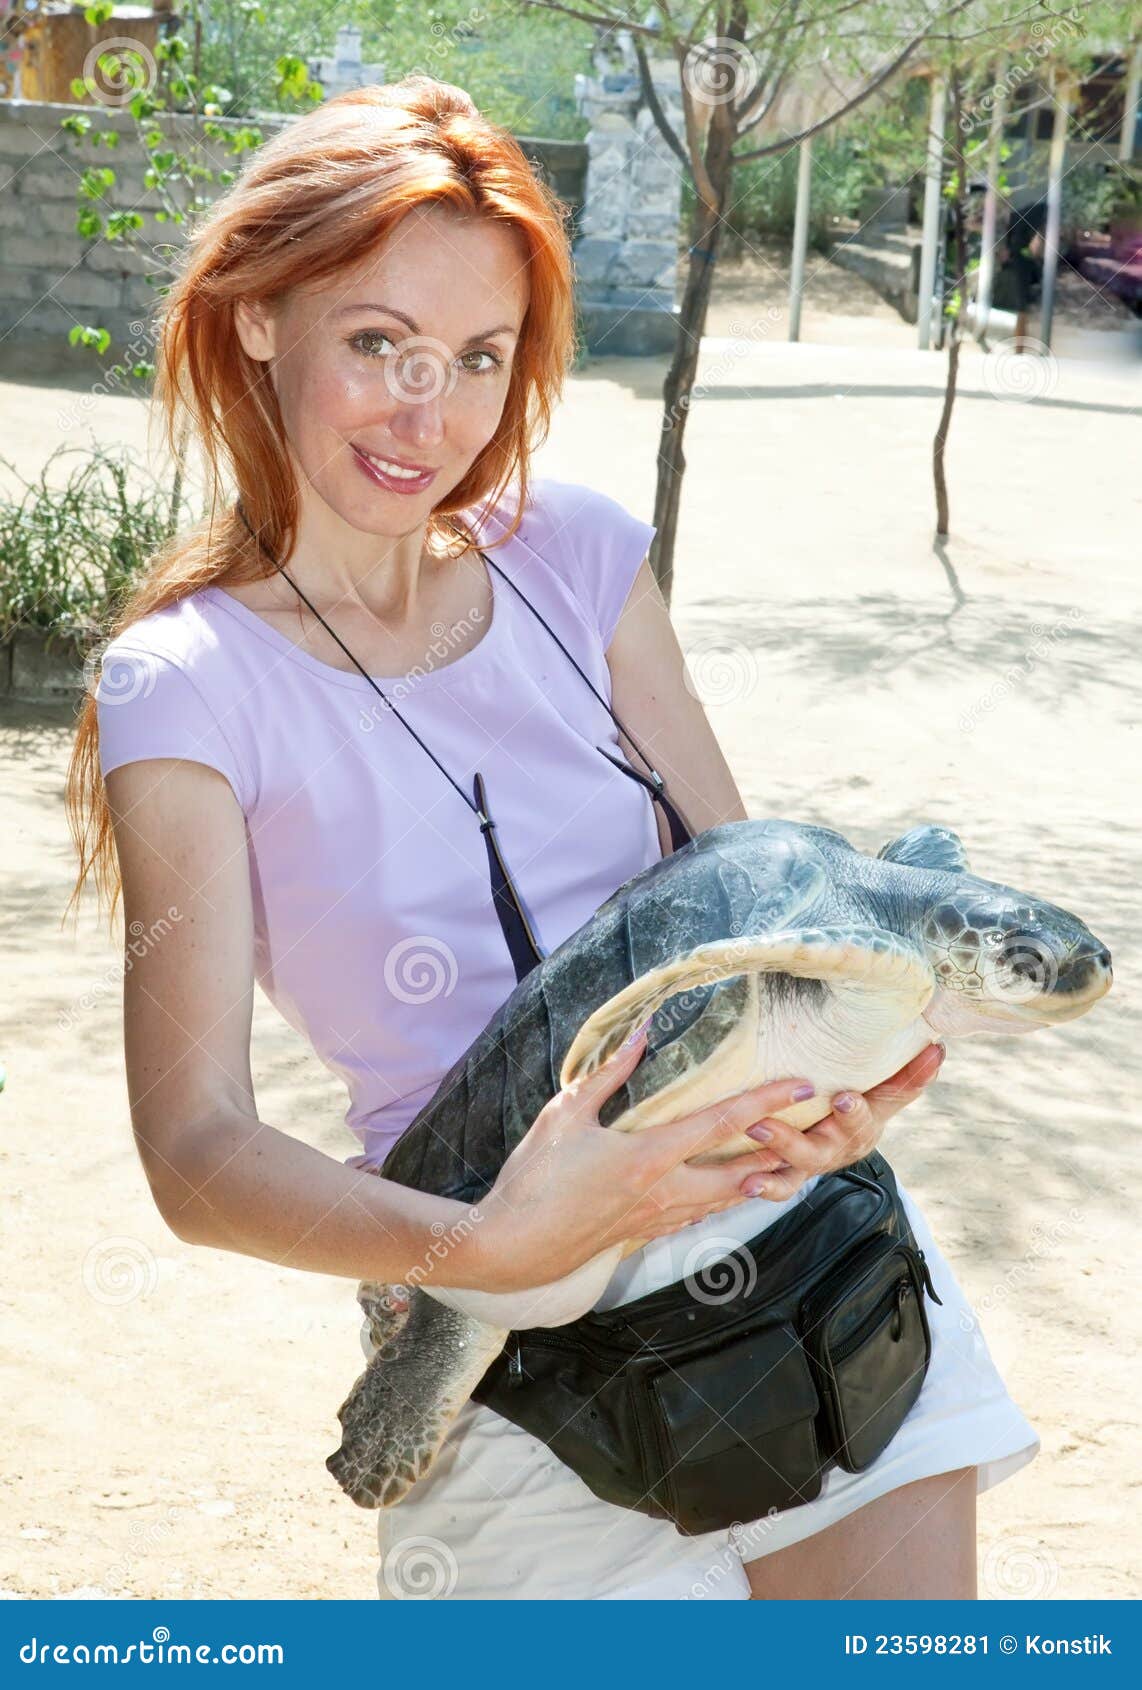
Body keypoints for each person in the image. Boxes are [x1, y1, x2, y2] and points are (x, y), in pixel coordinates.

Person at [65, 76, 1038, 1601]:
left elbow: (761, 901)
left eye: (475, 358)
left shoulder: (576, 555)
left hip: (810, 1273)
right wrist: (493, 1250)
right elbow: (194, 1155)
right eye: (376, 343)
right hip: (503, 1359)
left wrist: (830, 1094)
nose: (427, 415)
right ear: (260, 317)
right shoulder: (183, 686)